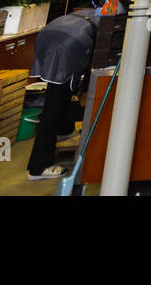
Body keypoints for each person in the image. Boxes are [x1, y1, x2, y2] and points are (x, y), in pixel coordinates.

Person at [27, 11, 98, 180]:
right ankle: (39, 167)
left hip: (47, 35)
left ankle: (64, 128)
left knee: (58, 95)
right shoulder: (110, 21)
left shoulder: (92, 12)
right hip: (69, 45)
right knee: (54, 105)